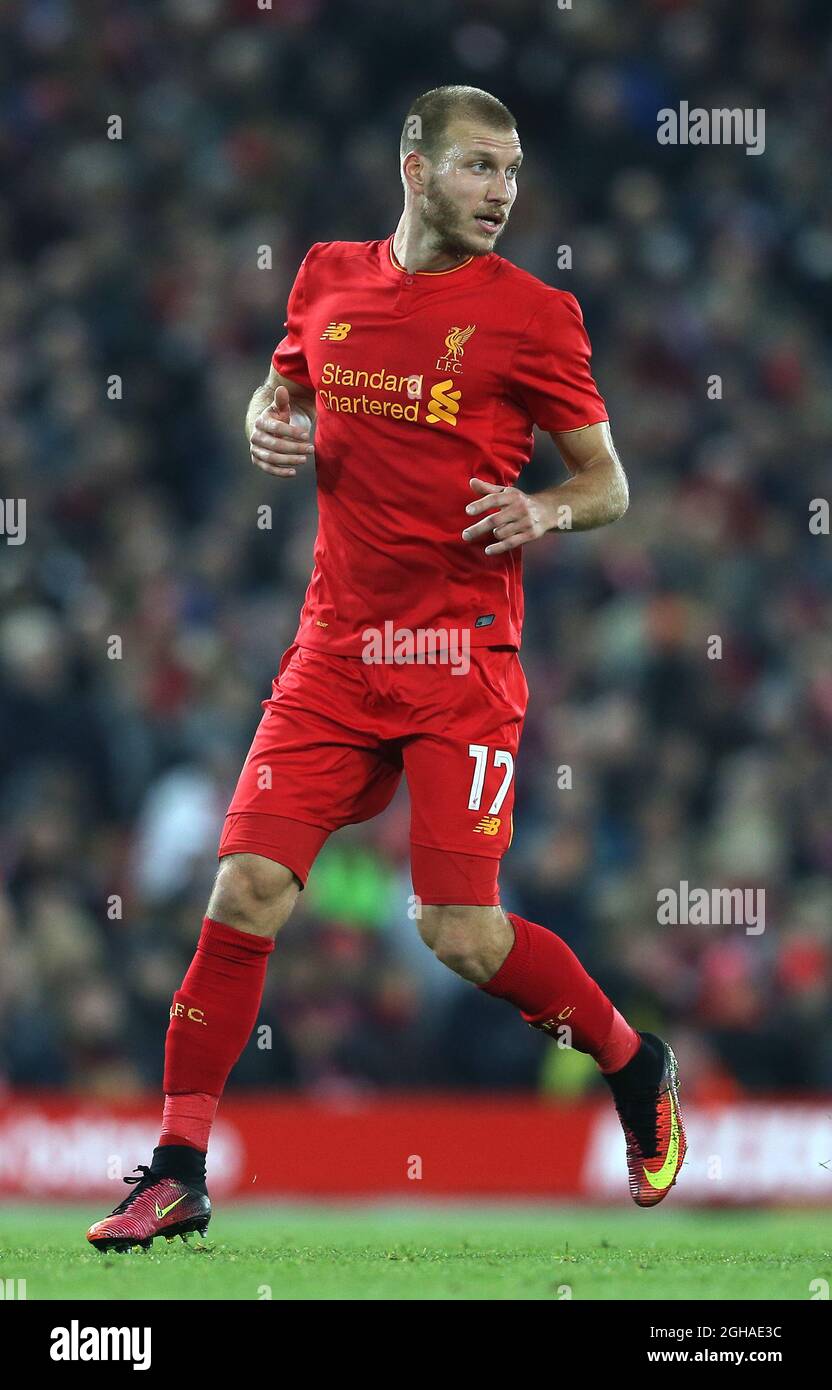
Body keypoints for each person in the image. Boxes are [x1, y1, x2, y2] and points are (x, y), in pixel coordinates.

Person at [87, 84, 685, 1252]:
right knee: (244, 887)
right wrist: (268, 413)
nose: (502, 192)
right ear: (413, 167)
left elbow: (608, 484)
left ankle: (632, 1058)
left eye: (511, 171)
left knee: (457, 932)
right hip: (334, 651)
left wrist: (541, 512)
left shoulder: (535, 317)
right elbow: (287, 385)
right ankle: (175, 1166)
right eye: (478, 167)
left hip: (461, 661)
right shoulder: (323, 276)